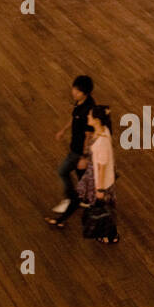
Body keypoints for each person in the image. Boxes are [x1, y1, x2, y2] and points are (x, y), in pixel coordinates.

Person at [47, 105, 116, 234]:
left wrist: (99, 189)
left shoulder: (102, 141)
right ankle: (61, 220)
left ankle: (111, 234)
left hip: (98, 180)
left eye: (90, 115)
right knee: (80, 199)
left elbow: (101, 167)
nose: (88, 116)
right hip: (92, 174)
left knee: (102, 208)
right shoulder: (102, 130)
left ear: (97, 120)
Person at [47, 76, 97, 222]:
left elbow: (89, 136)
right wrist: (63, 130)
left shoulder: (89, 111)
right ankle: (88, 199)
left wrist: (84, 156)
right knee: (82, 176)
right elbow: (73, 117)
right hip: (75, 148)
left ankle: (71, 199)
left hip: (78, 151)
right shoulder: (81, 103)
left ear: (85, 93)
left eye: (78, 91)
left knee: (62, 171)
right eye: (74, 88)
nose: (74, 92)